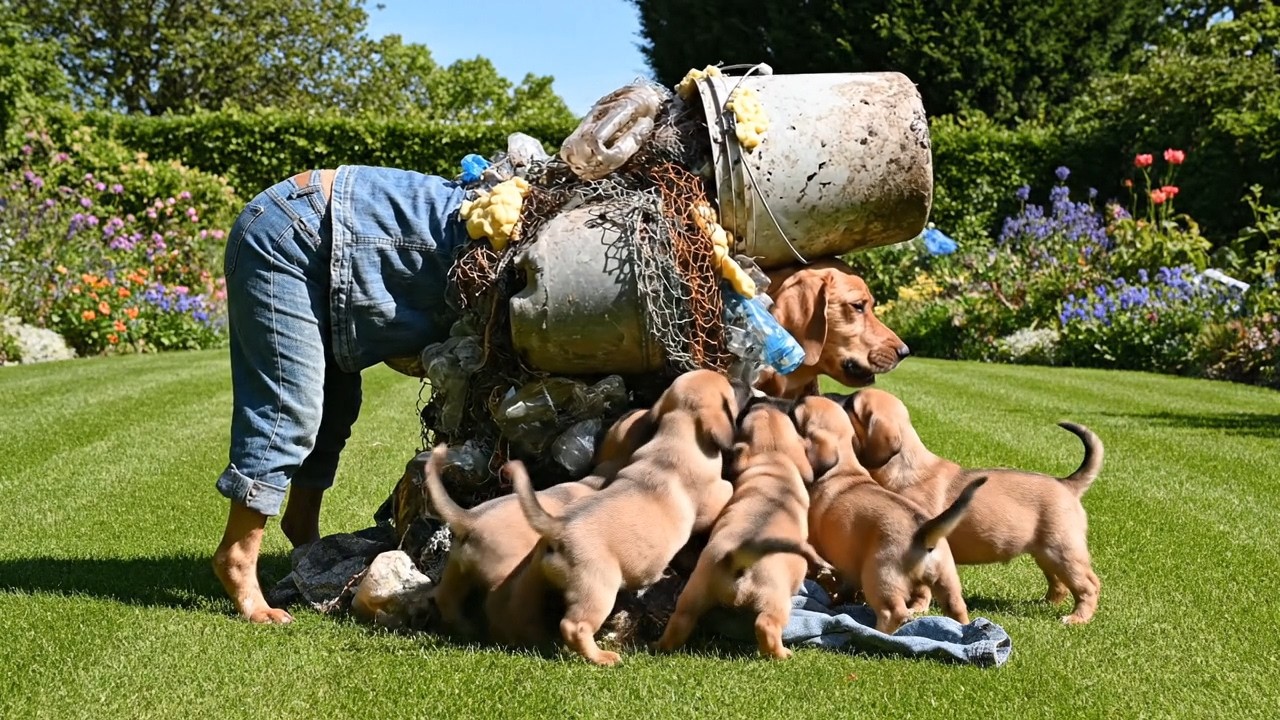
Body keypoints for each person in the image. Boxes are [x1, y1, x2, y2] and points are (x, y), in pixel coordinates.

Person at [213, 167, 468, 623]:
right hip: (290, 233)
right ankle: (237, 558)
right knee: (289, 408)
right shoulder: (501, 237)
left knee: (337, 402)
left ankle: (302, 527)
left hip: (329, 237)